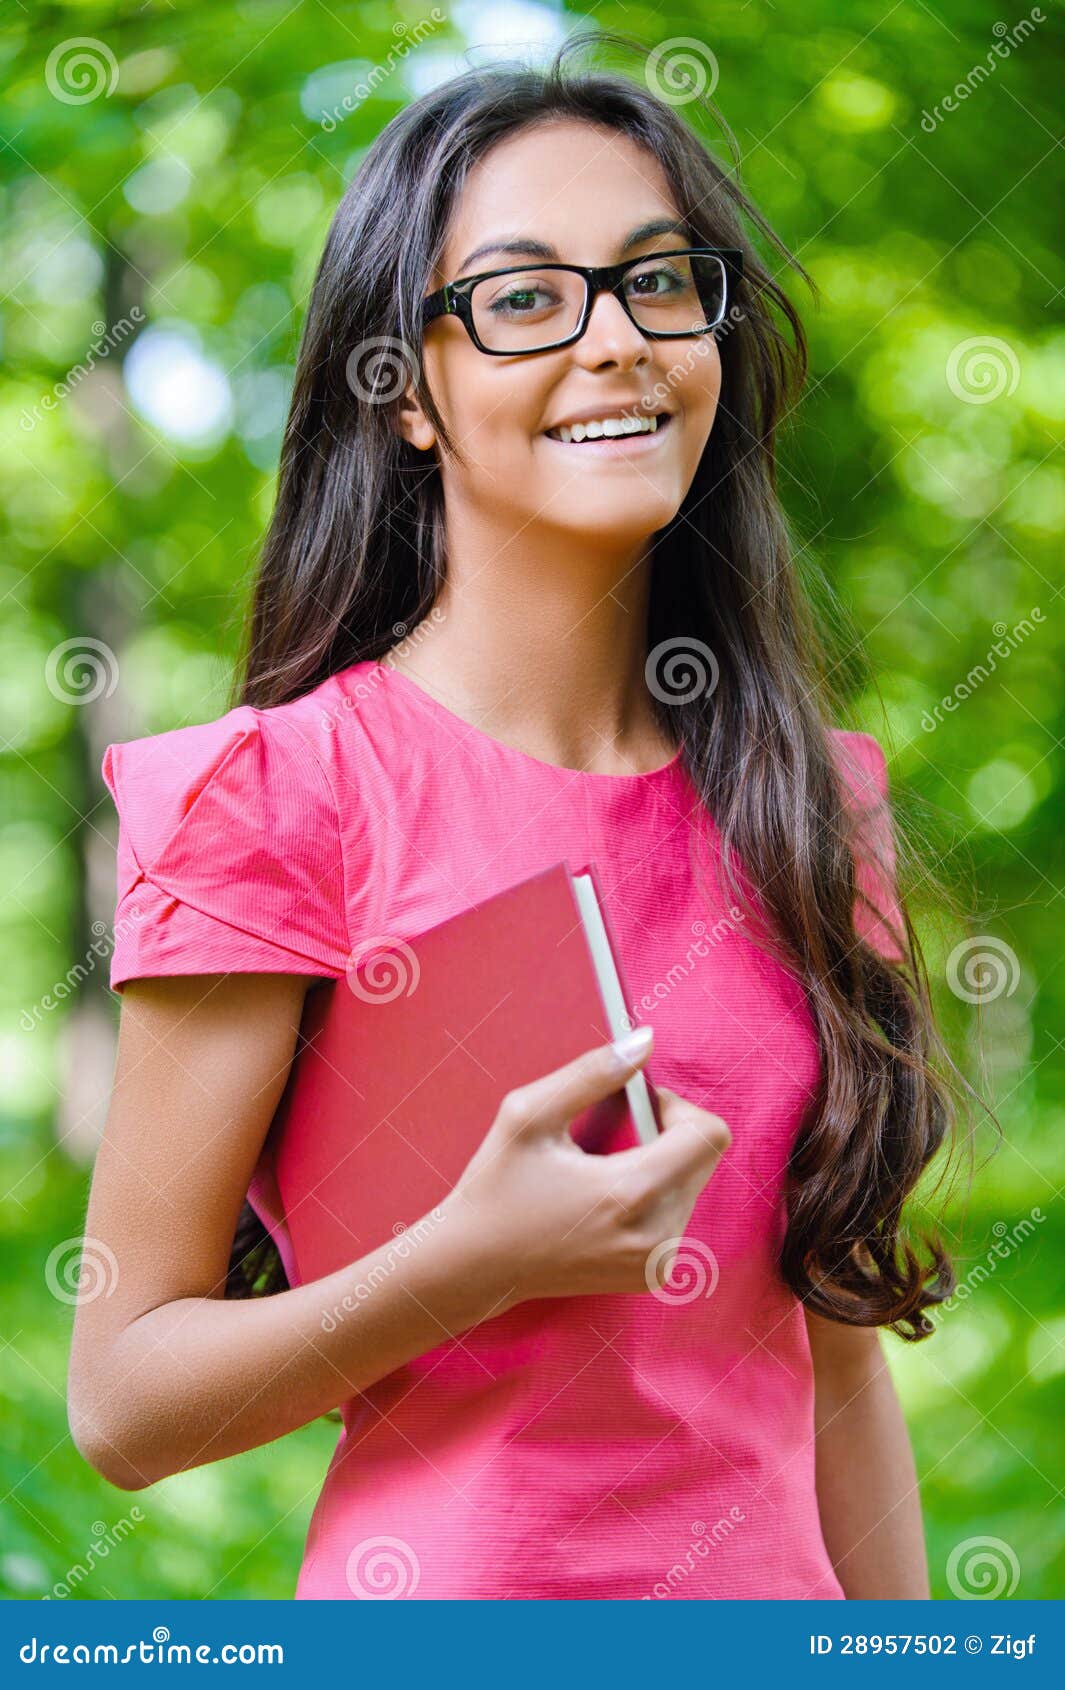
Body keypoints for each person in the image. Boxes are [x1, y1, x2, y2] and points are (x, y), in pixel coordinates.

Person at [68, 35, 962, 1600]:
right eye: (526, 298)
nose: (615, 342)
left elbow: (831, 1370)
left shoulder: (808, 803)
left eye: (657, 282)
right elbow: (125, 1398)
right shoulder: (279, 796)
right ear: (404, 390)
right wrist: (470, 1261)